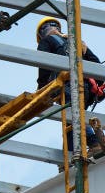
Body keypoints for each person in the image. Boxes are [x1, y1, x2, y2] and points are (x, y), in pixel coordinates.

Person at [36, 16, 105, 156]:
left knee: (73, 117)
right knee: (70, 123)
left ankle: (94, 142)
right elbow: (96, 64)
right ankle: (68, 157)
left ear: (42, 33)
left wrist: (42, 89)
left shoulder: (46, 42)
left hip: (67, 87)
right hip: (87, 89)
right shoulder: (76, 42)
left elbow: (43, 65)